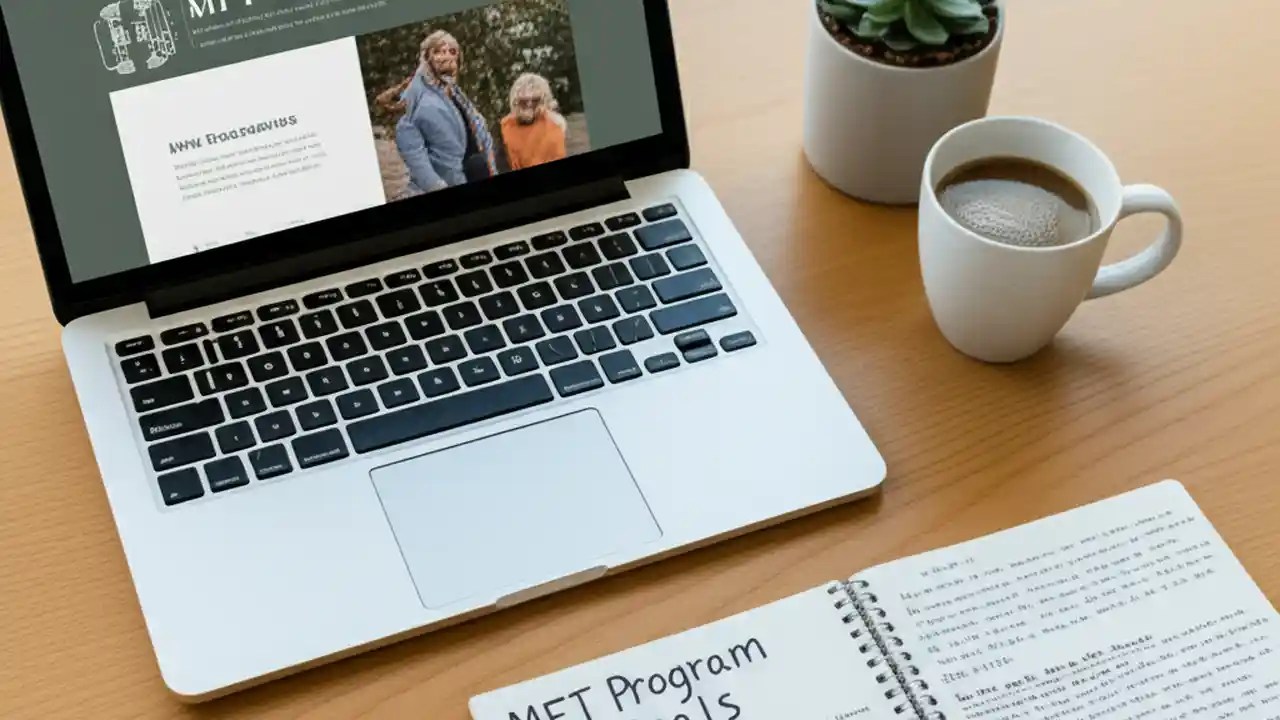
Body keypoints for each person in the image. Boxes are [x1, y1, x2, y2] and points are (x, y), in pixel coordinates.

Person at [392, 30, 497, 196]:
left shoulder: (457, 95)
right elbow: (412, 150)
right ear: (427, 59)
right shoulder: (416, 97)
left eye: (452, 51)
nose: (446, 56)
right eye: (438, 51)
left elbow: (481, 138)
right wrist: (436, 186)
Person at [499, 73, 568, 172]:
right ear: (515, 101)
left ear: (544, 101)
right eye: (523, 101)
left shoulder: (554, 126)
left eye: (535, 100)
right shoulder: (504, 128)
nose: (529, 105)